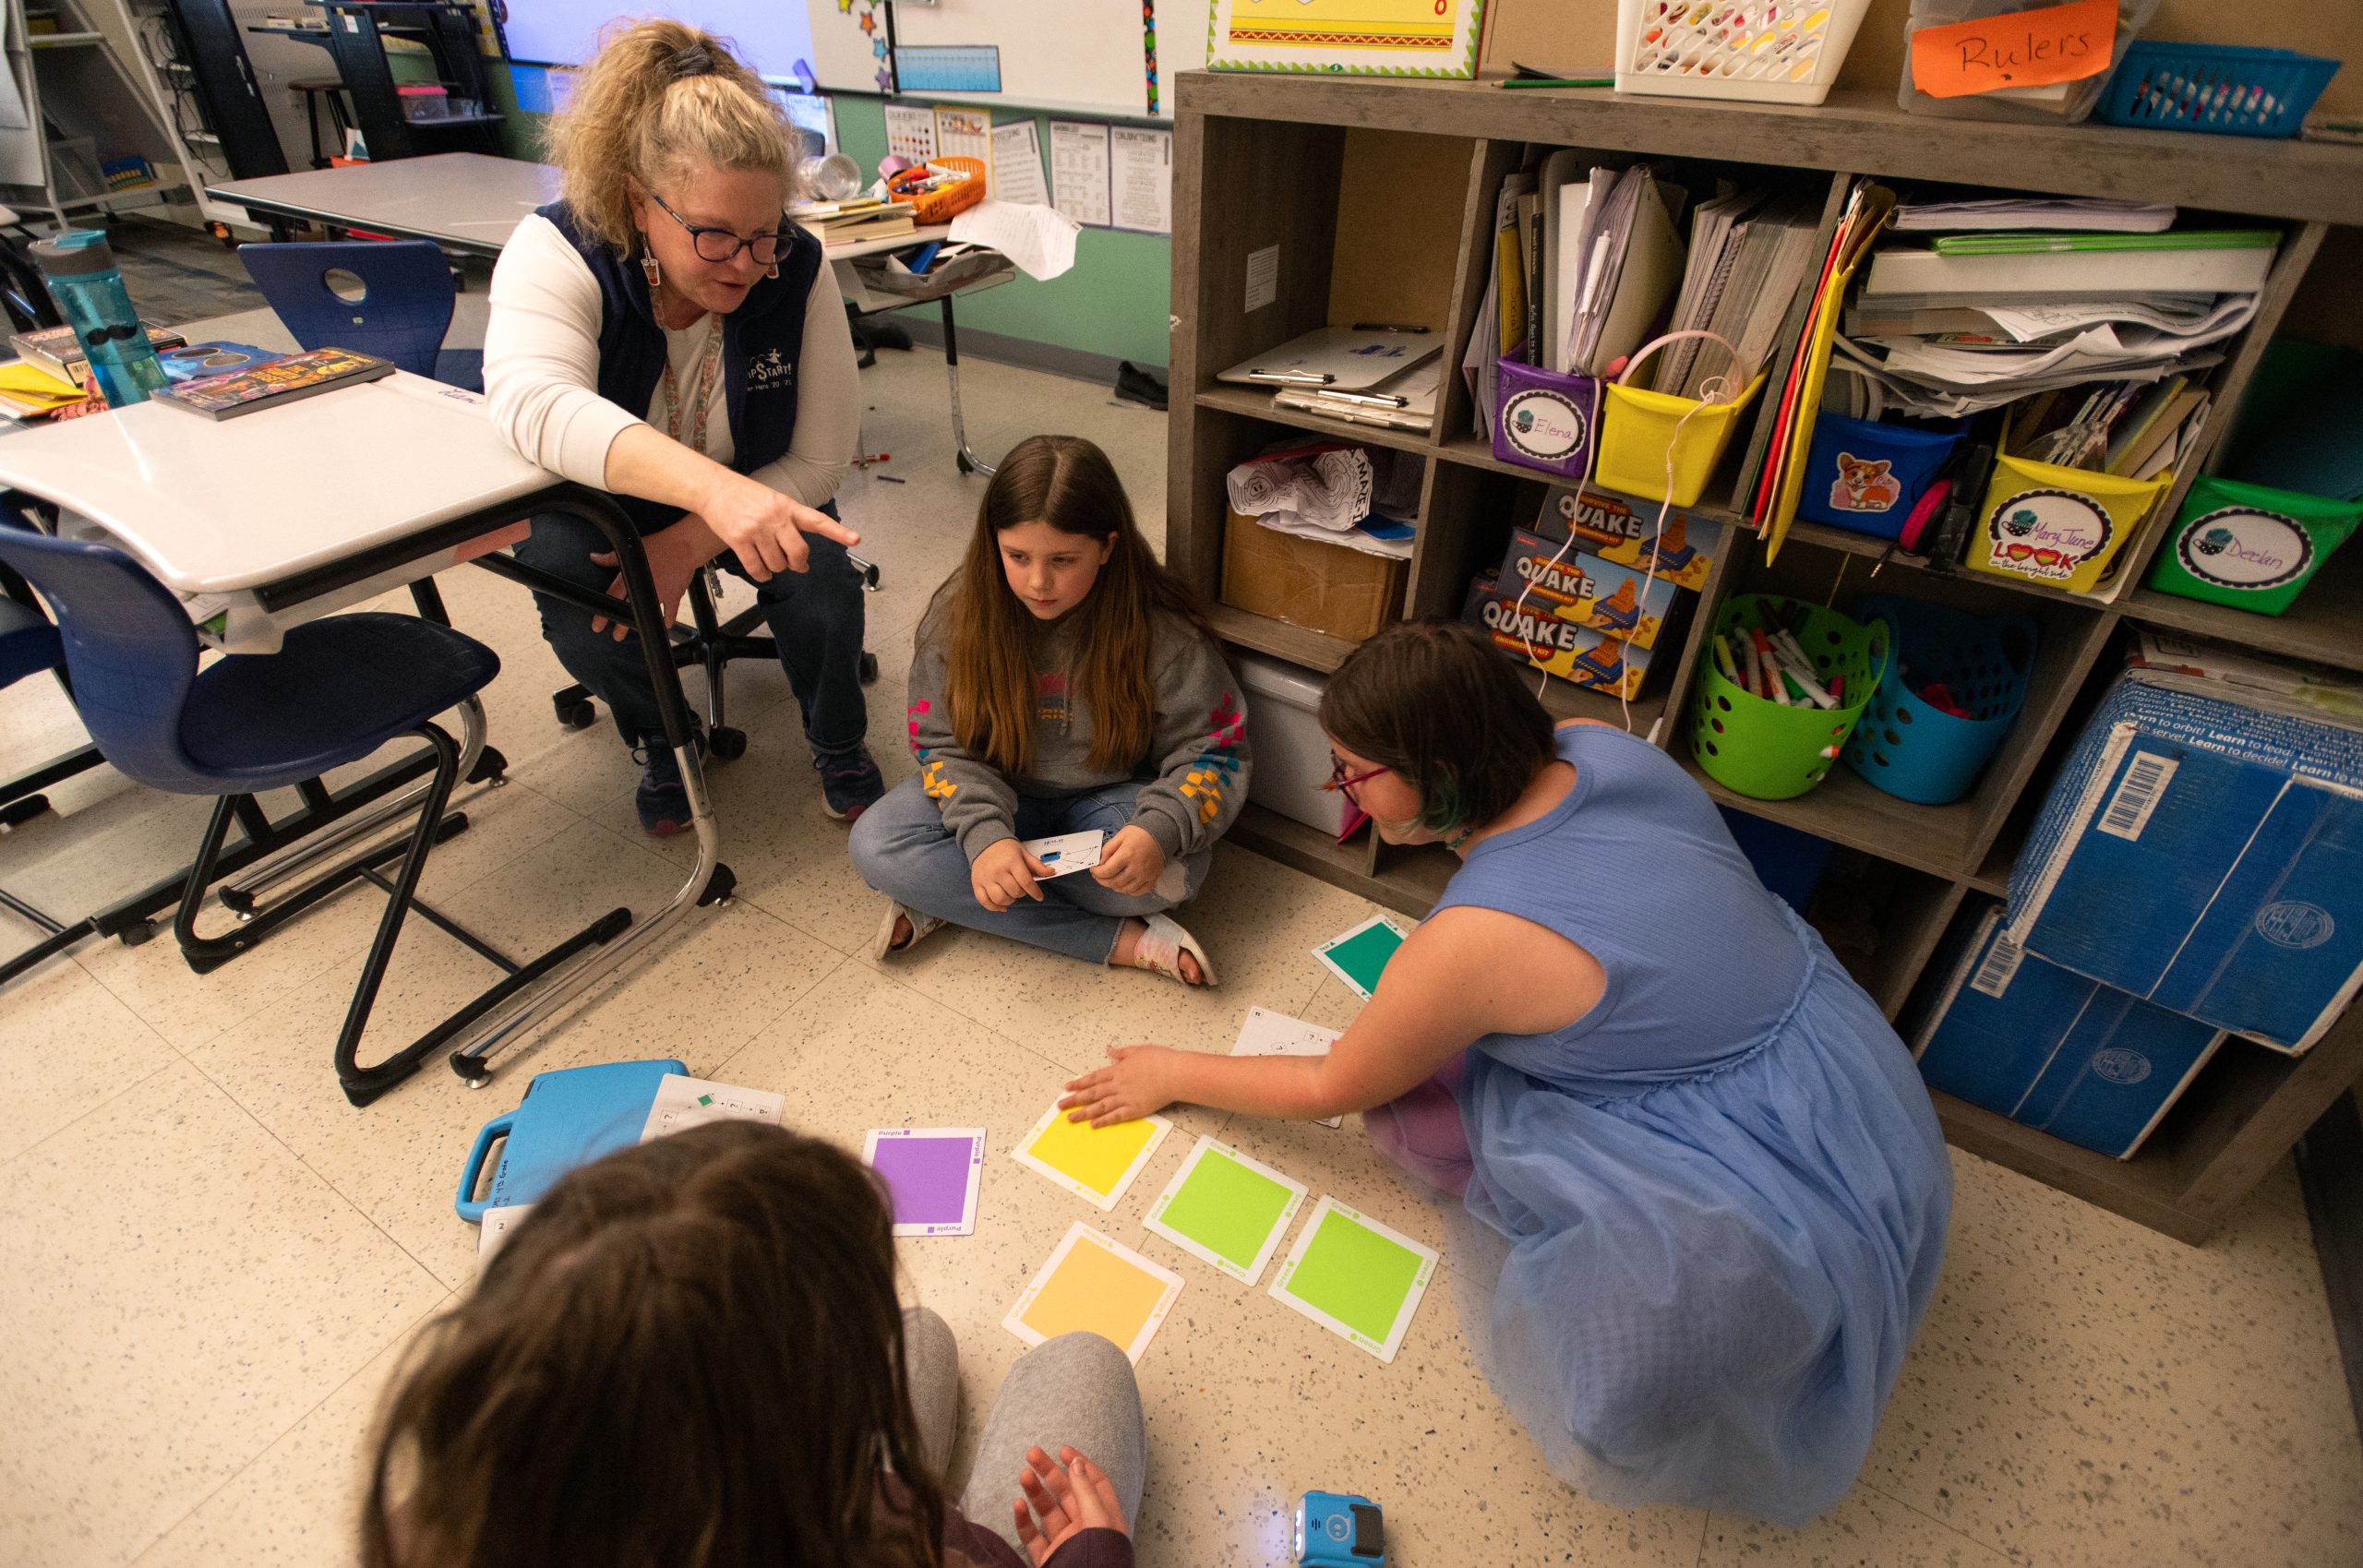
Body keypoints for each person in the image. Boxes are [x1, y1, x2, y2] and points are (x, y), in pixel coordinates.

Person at [1055, 618, 1951, 1526]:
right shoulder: (1601, 744)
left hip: (1759, 1179)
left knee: (1426, 1130)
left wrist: (1171, 1070)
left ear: (1439, 771)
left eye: (1354, 770)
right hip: (1849, 1078)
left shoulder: (1469, 944)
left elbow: (1332, 1085)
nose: (1340, 788)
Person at [362, 1119, 1145, 1568]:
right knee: (1084, 1360)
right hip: (901, 1531)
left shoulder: (445, 1525)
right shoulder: (874, 1532)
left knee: (920, 1335)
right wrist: (1092, 1557)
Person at [483, 19, 884, 833]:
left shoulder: (795, 267)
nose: (746, 264)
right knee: (571, 592)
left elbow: (819, 459)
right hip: (607, 497)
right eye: (713, 235)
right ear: (640, 201)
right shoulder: (561, 249)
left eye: (762, 235)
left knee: (823, 577)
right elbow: (531, 402)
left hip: (753, 480)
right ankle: (663, 737)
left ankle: (838, 737)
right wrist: (710, 498)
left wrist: (689, 540)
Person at [849, 435, 1247, 987]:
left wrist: (1157, 832)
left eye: (1063, 560)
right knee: (875, 844)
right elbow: (941, 746)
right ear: (993, 544)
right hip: (993, 791)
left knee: (1171, 875)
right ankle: (1122, 942)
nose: (1038, 582)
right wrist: (987, 838)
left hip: (1107, 804)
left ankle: (956, 896)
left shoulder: (1163, 632)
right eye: (1017, 556)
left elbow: (1214, 751)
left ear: (1107, 547)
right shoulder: (957, 618)